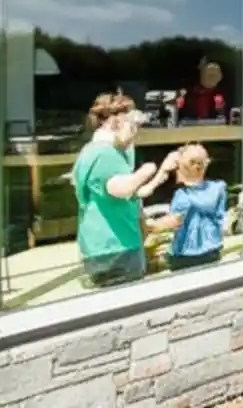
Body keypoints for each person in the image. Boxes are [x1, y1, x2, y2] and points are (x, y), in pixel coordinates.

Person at [73, 92, 175, 287]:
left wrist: (159, 176)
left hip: (105, 246)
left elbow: (132, 195)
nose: (136, 132)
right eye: (132, 125)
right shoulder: (104, 154)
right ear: (114, 122)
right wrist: (147, 170)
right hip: (114, 249)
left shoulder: (93, 150)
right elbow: (121, 189)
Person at [147, 143, 226, 270]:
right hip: (213, 249)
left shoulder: (183, 194)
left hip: (187, 255)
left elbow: (174, 220)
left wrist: (150, 226)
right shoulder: (218, 188)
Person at [177, 59, 228, 124]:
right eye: (208, 75)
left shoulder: (217, 95)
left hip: (210, 123)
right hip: (190, 122)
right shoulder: (189, 92)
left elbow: (221, 117)